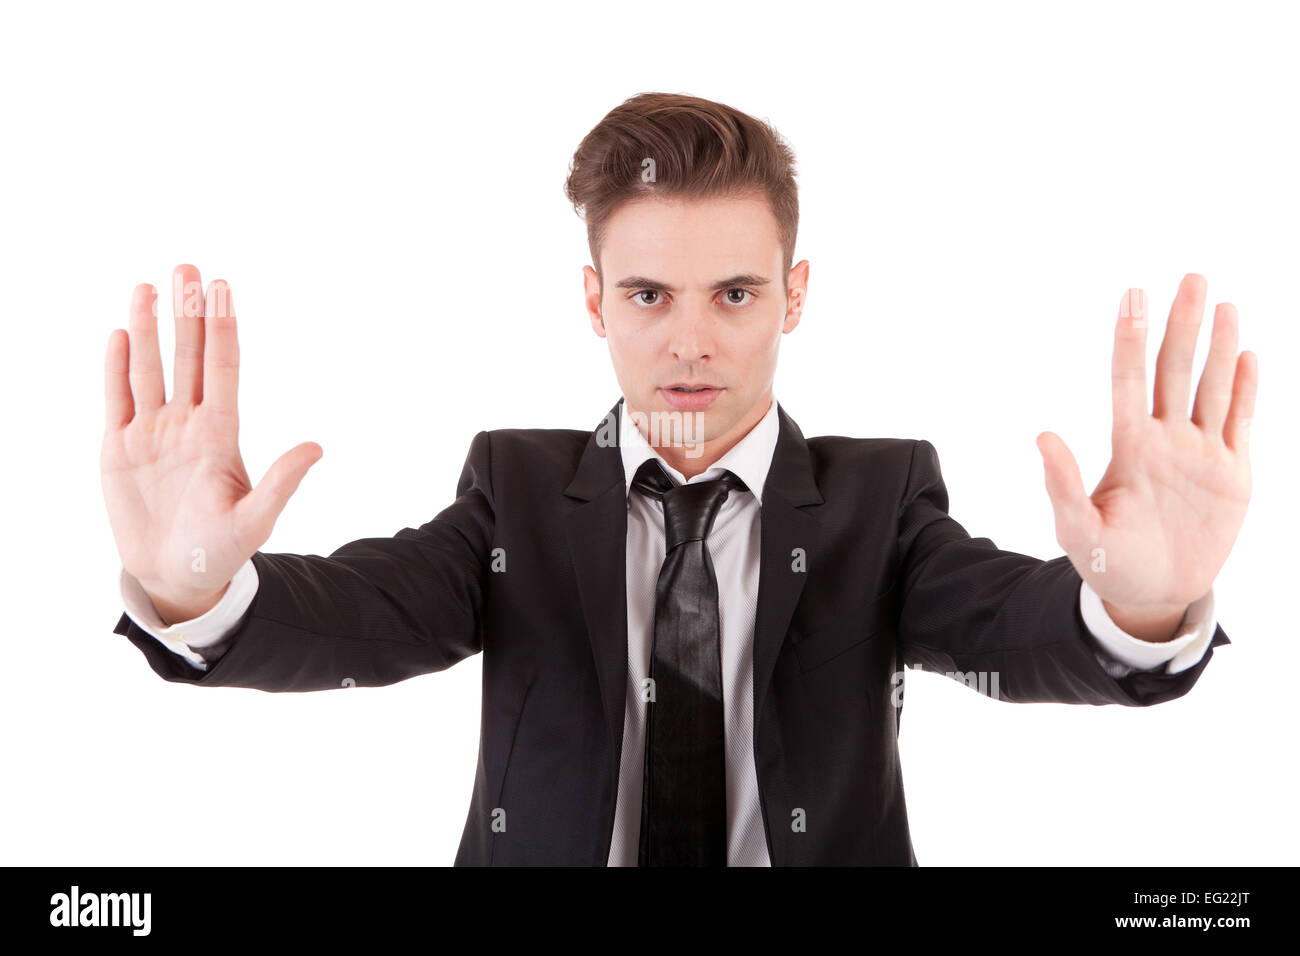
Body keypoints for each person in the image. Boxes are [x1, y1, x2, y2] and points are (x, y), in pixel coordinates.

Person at [101, 92, 1255, 866]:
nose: (691, 341)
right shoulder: (515, 486)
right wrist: (200, 584)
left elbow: (1006, 625)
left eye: (735, 294)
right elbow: (368, 616)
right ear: (593, 300)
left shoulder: (880, 497)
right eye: (648, 294)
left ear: (794, 296)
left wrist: (1136, 606)